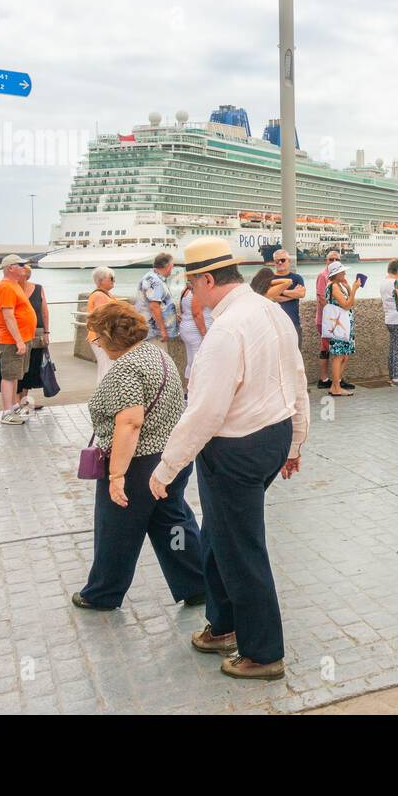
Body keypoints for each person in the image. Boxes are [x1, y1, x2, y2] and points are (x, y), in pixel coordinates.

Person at [149, 238, 310, 680]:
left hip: (234, 449)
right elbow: (297, 377)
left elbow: (205, 411)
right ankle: (222, 624)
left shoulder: (225, 331)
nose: (190, 292)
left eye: (190, 283)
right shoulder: (270, 310)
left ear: (206, 280)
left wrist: (166, 468)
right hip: (272, 435)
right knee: (220, 532)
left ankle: (262, 652)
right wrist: (295, 441)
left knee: (241, 547)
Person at [72, 301, 205, 611]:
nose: (96, 342)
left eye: (97, 336)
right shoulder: (157, 354)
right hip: (170, 456)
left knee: (117, 527)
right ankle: (197, 582)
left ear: (109, 335)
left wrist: (116, 476)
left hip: (138, 463)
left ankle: (102, 592)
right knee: (171, 521)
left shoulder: (126, 369)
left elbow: (130, 423)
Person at [0, 264, 49, 413]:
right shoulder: (6, 287)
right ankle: (7, 410)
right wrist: (18, 340)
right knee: (9, 375)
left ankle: (15, 405)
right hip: (13, 340)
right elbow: (7, 315)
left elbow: (41, 310)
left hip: (26, 337)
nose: (25, 270)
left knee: (17, 374)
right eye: (21, 266)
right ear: (10, 268)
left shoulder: (14, 286)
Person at [323, 261, 360, 397]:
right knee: (339, 356)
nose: (345, 273)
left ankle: (335, 385)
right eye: (342, 271)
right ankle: (336, 387)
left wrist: (350, 288)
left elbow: (351, 303)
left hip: (345, 324)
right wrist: (355, 289)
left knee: (344, 355)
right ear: (336, 274)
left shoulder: (339, 285)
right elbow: (346, 305)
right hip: (339, 326)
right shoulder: (333, 286)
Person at [315, 251, 349, 390]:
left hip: (334, 321)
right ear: (326, 260)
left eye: (337, 259)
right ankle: (327, 380)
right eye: (331, 259)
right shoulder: (323, 276)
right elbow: (321, 298)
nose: (334, 260)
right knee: (328, 350)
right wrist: (332, 316)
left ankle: (335, 380)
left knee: (334, 350)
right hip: (328, 321)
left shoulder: (339, 278)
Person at [135, 252, 178, 348]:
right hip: (154, 332)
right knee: (158, 359)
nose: (172, 269)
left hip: (148, 328)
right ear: (168, 266)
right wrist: (162, 330)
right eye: (172, 266)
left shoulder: (151, 277)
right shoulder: (156, 281)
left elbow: (161, 303)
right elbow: (154, 306)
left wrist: (174, 314)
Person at [380, 259, 398, 386]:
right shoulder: (396, 283)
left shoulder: (384, 282)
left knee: (393, 347)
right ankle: (397, 377)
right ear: (397, 270)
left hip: (389, 318)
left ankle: (392, 374)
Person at [180, 278, 213, 379]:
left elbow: (182, 308)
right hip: (196, 332)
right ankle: (197, 389)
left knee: (192, 362)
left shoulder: (186, 289)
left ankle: (191, 390)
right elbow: (197, 313)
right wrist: (204, 334)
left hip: (187, 328)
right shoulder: (197, 291)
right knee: (199, 362)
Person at [87, 267, 117, 382]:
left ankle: (103, 395)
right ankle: (106, 395)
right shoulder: (100, 296)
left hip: (103, 337)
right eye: (111, 278)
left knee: (105, 367)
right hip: (102, 337)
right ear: (101, 280)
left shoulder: (106, 294)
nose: (113, 280)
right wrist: (102, 338)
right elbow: (101, 319)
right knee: (107, 368)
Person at [270, 249, 305, 342]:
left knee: (296, 354)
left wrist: (280, 291)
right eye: (277, 261)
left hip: (294, 323)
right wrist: (293, 294)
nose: (280, 263)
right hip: (274, 326)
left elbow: (301, 294)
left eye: (283, 260)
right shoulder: (269, 278)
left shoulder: (297, 278)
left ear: (289, 261)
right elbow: (271, 297)